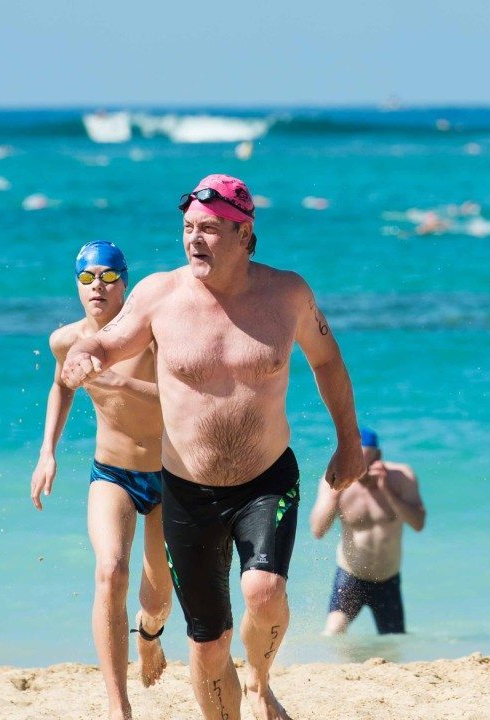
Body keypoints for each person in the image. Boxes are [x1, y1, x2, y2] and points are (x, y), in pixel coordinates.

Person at [60, 174, 367, 720]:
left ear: (243, 233)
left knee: (264, 591)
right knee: (207, 647)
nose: (193, 239)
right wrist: (86, 354)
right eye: (187, 228)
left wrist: (348, 442)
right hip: (186, 492)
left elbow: (327, 361)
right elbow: (107, 340)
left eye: (208, 229)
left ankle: (259, 683)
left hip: (266, 478)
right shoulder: (159, 294)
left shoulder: (288, 294)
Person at [30, 240, 172, 720]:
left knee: (157, 602)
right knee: (110, 571)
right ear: (77, 284)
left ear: (124, 284)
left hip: (169, 475)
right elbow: (61, 386)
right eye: (88, 277)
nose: (98, 286)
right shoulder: (65, 341)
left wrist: (120, 382)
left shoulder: (149, 334)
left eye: (109, 277)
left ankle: (149, 637)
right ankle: (118, 706)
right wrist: (47, 452)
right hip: (111, 472)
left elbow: (181, 396)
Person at [310, 427, 425, 635]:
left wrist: (387, 490)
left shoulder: (402, 477)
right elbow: (317, 530)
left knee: (394, 641)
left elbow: (418, 523)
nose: (359, 471)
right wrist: (335, 493)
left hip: (387, 578)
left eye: (364, 464)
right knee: (333, 632)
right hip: (351, 575)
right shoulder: (334, 481)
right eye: (355, 463)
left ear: (378, 457)